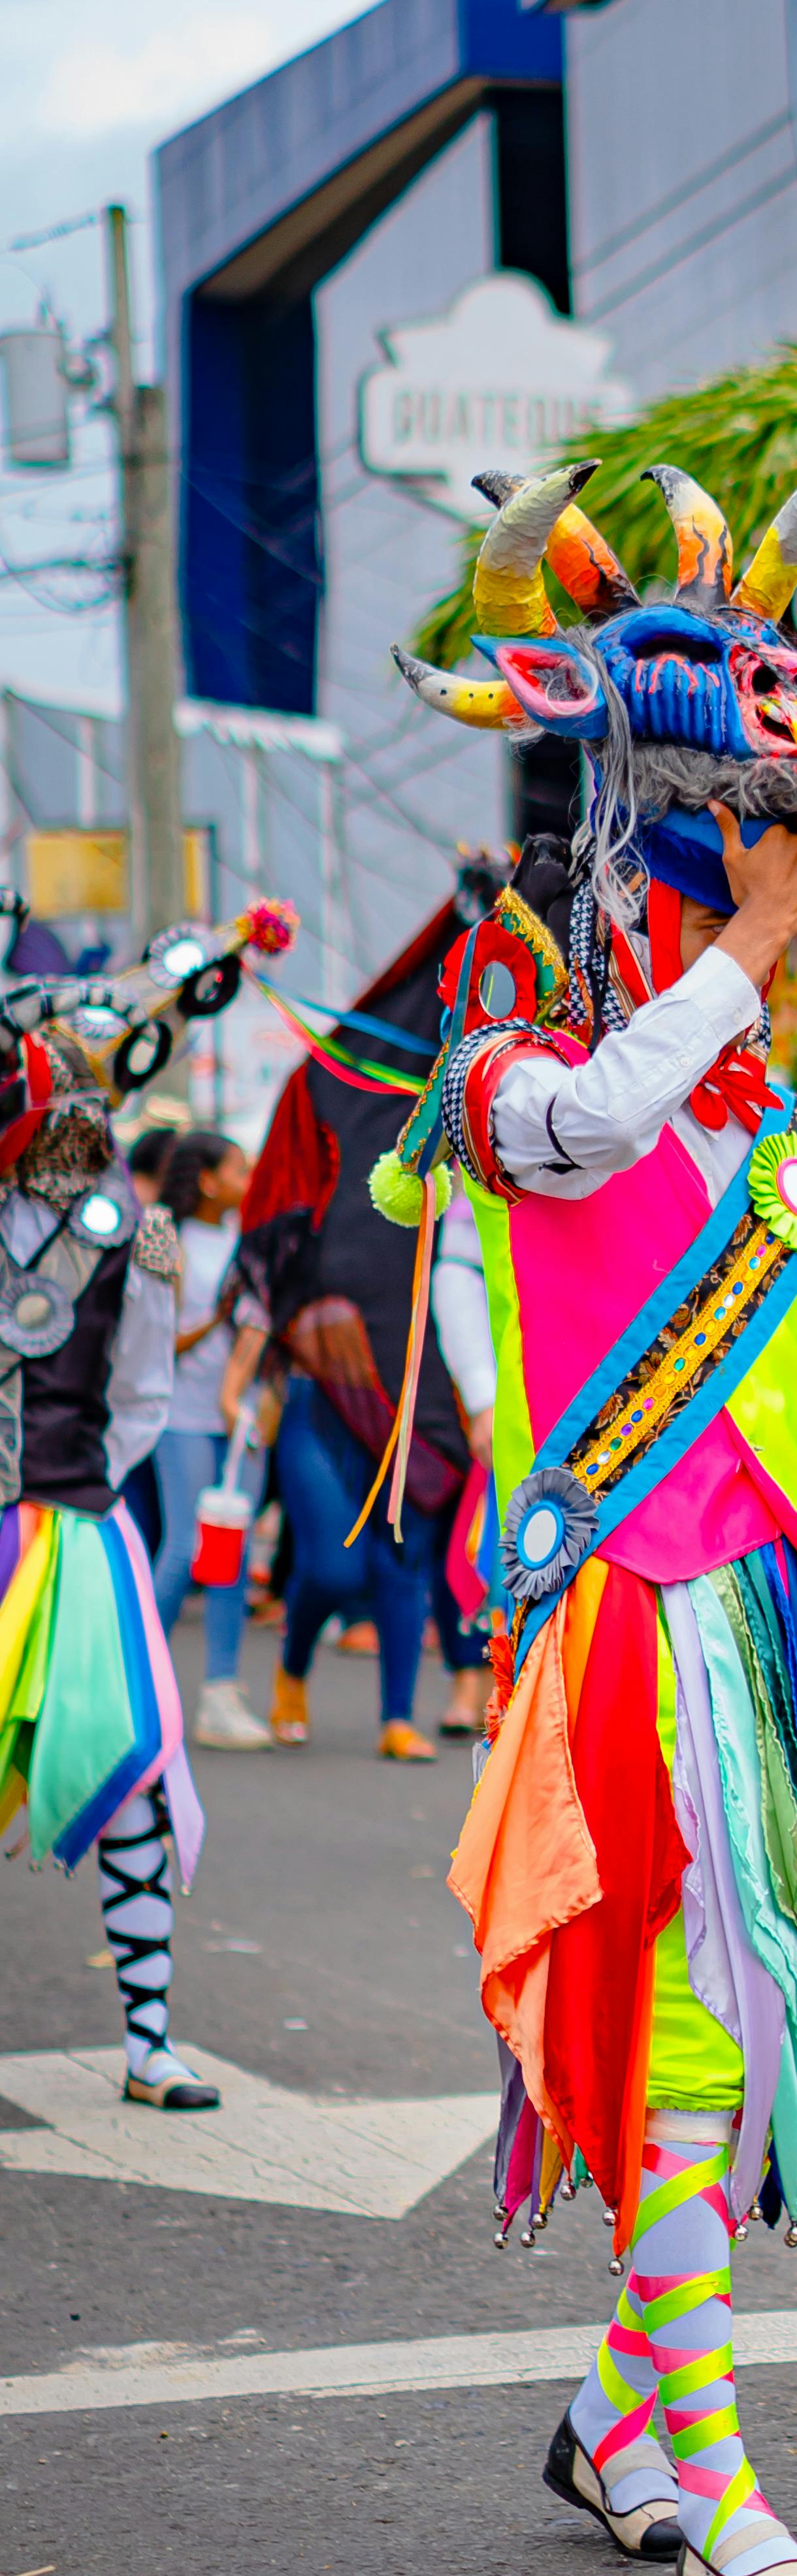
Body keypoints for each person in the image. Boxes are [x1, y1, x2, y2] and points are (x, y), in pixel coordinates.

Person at [395, 455, 797, 2576]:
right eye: (750, 810)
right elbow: (575, 1135)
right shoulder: (523, 1025)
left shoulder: (769, 1095)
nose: (783, 851)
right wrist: (741, 957)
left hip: (776, 1620)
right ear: (660, 801)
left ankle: (629, 2418)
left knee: (746, 2013)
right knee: (687, 2026)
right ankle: (709, 2470)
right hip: (636, 1609)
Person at [0, 901, 293, 2109]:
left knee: (135, 1776)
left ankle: (149, 2042)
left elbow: (142, 1390)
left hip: (73, 1536)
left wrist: (79, 1507)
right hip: (55, 1522)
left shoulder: (148, 1237)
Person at [144, 1126, 270, 1752]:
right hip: (182, 1416)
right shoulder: (165, 1237)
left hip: (240, 1419)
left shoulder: (245, 1240)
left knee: (235, 1551)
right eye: (239, 1171)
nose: (248, 1183)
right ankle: (139, 1683)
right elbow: (158, 1340)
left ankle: (220, 1693)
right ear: (207, 1180)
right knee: (186, 1545)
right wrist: (219, 1317)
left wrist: (251, 1390)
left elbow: (262, 1325)